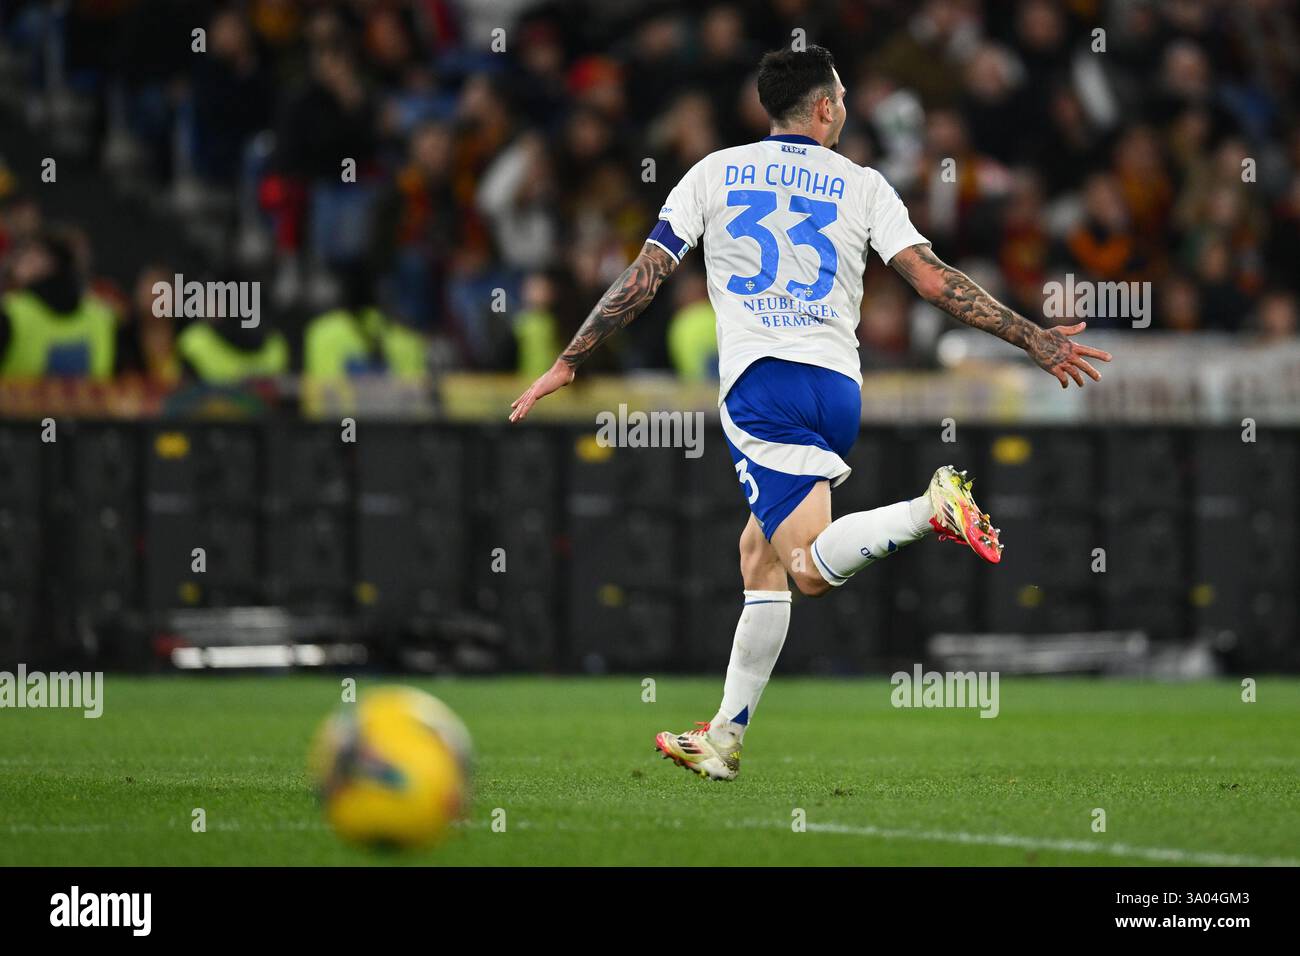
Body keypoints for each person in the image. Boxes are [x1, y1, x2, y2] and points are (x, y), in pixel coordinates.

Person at [508, 46, 1111, 781]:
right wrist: (1032, 337)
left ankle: (932, 507)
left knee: (810, 571)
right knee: (758, 555)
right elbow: (933, 281)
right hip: (837, 390)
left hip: (764, 387)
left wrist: (572, 357)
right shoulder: (862, 183)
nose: (848, 106)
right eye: (845, 96)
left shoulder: (714, 172)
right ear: (823, 107)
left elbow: (645, 276)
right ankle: (724, 737)